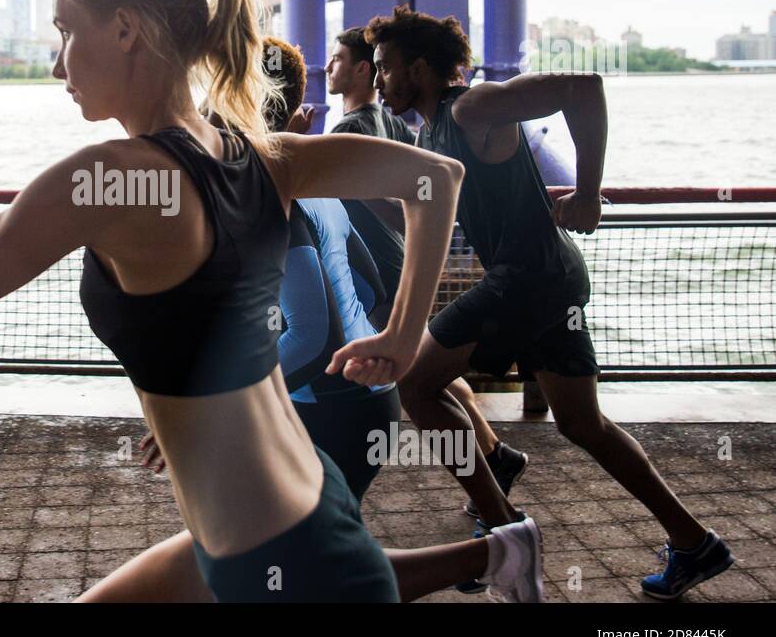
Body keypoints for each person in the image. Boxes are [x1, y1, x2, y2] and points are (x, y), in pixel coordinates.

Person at [0, 0, 541, 602]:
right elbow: (435, 179)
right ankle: (501, 553)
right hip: (294, 510)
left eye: (66, 31)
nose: (57, 65)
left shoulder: (104, 180)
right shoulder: (263, 158)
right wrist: (400, 337)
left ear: (127, 28)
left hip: (275, 557)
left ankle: (498, 554)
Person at [79, 36, 542, 603]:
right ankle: (502, 551)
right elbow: (367, 277)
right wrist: (381, 339)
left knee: (295, 570)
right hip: (354, 399)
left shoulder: (274, 198)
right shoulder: (311, 182)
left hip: (334, 407)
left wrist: (213, 409)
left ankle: (501, 553)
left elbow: (310, 334)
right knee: (295, 562)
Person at [365, 5, 732, 599]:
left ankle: (502, 530)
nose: (379, 80)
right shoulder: (427, 130)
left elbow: (582, 89)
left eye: (384, 67)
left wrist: (588, 193)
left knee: (415, 384)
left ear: (420, 66)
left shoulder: (471, 105)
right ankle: (696, 543)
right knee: (582, 423)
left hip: (527, 280)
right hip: (546, 280)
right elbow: (422, 214)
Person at [328, 26, 528, 536]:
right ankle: (495, 457)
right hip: (398, 262)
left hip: (370, 268)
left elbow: (399, 210)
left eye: (337, 61)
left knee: (414, 380)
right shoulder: (387, 122)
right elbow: (414, 205)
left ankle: (496, 498)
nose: (327, 69)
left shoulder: (350, 131)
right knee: (426, 369)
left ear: (362, 70)